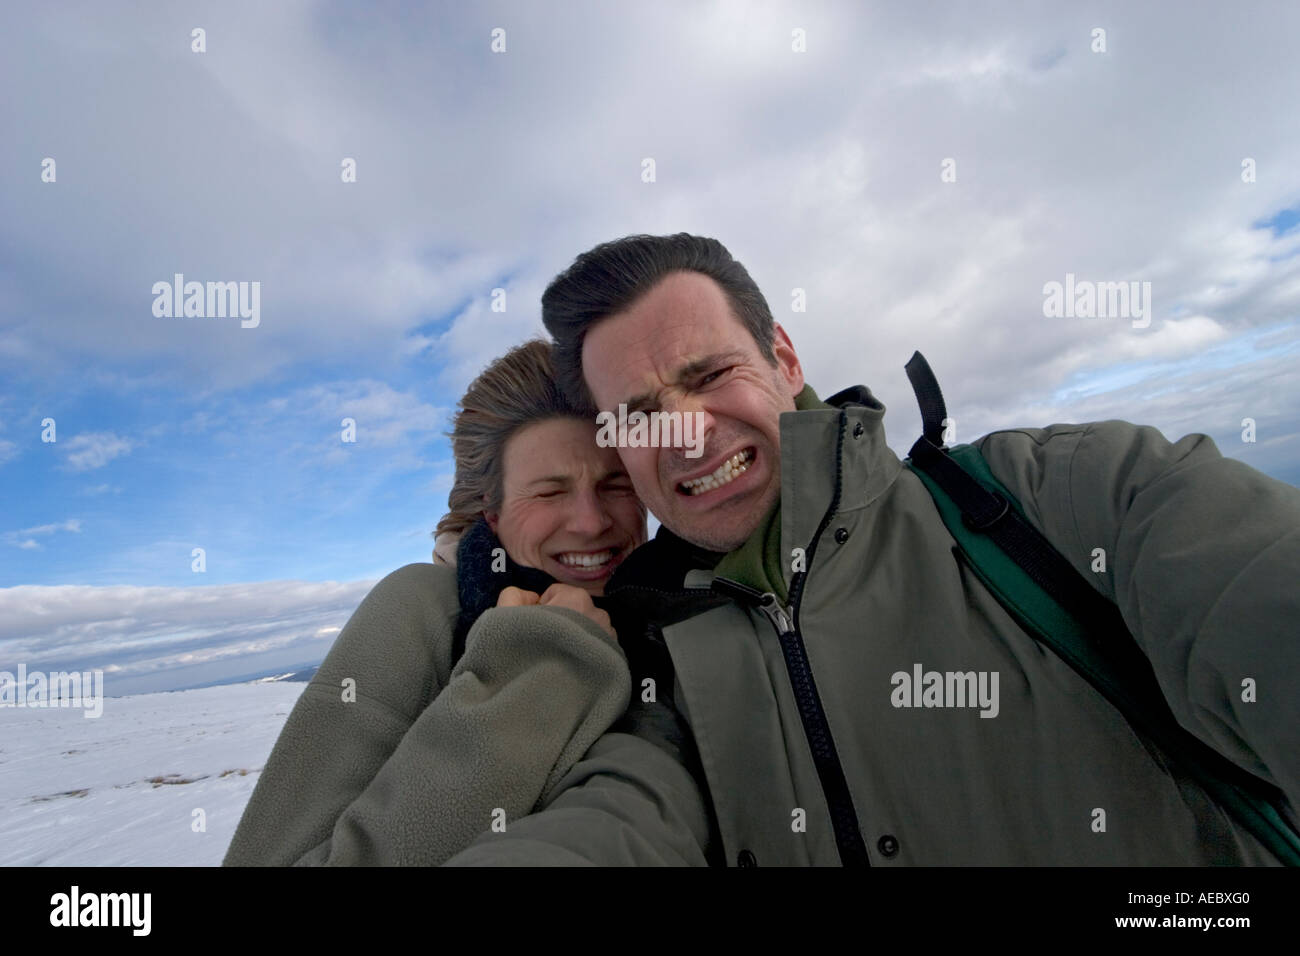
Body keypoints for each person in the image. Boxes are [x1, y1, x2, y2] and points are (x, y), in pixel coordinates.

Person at [441, 232, 1300, 866]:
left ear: (784, 356)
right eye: (640, 414)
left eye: (708, 377)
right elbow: (614, 827)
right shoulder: (667, 656)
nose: (690, 433)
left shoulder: (1069, 499)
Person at [222, 339, 710, 866]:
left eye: (615, 484)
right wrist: (540, 672)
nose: (590, 522)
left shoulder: (684, 615)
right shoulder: (421, 611)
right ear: (492, 512)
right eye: (549, 493)